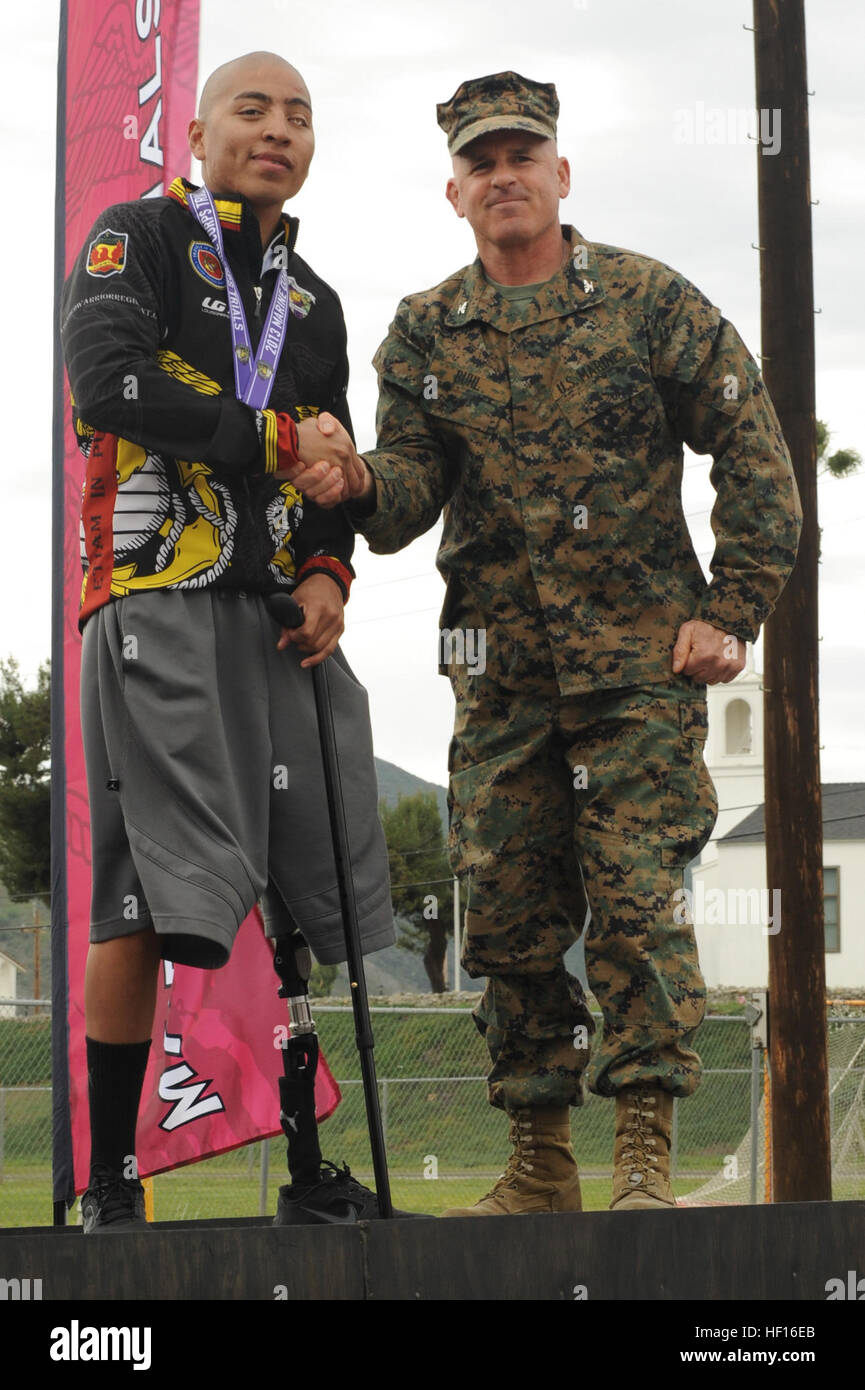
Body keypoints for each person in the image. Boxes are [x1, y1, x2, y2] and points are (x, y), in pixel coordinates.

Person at [291, 71, 803, 1215]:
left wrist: (732, 608)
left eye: (522, 154)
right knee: (511, 917)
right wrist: (358, 475)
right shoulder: (426, 329)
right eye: (481, 162)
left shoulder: (644, 301)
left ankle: (641, 1161)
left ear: (560, 174)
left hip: (636, 676)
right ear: (454, 192)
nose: (503, 174)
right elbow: (409, 491)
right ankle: (538, 1162)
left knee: (633, 909)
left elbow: (752, 444)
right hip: (500, 684)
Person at [61, 52, 394, 1232]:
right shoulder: (135, 237)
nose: (278, 129)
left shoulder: (315, 299)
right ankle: (108, 1183)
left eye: (300, 114)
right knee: (147, 895)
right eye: (251, 109)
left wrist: (326, 570)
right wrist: (269, 438)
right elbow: (108, 384)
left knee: (305, 887)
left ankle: (308, 1171)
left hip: (272, 620)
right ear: (197, 135)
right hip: (157, 598)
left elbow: (329, 473)